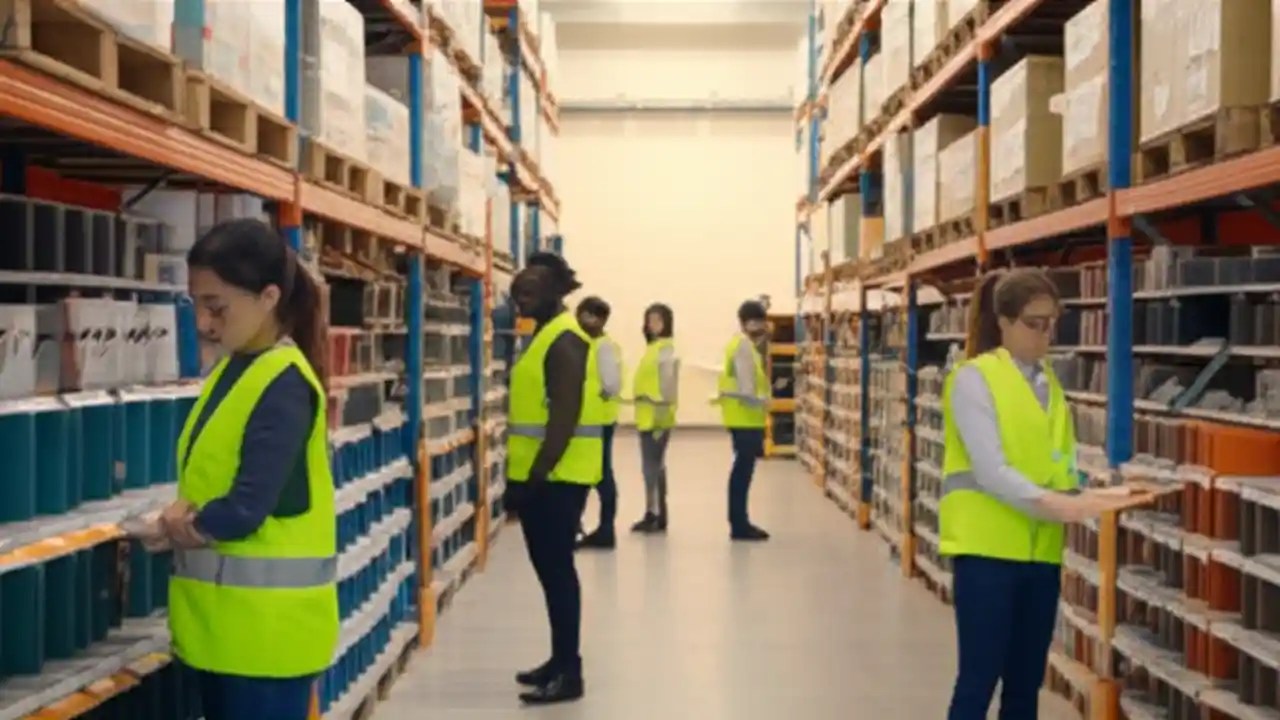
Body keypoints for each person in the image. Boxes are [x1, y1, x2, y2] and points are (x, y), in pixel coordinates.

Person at [133, 218, 337, 720]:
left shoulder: (283, 382)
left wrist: (179, 525)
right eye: (197, 304)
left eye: (216, 306)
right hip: (224, 635)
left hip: (266, 641)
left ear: (269, 297)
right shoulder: (231, 369)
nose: (204, 321)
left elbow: (248, 505)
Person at [942, 268, 1128, 720]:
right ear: (1003, 322)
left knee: (1025, 688)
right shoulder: (974, 379)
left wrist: (1099, 494)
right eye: (1033, 323)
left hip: (1041, 555)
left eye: (1052, 324)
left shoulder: (1050, 386)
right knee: (978, 681)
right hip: (986, 553)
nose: (1045, 335)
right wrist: (1063, 505)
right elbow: (990, 470)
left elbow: (1056, 468)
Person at [503, 252, 606, 704]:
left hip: (557, 480)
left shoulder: (565, 340)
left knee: (558, 572)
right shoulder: (545, 334)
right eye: (515, 295)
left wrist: (533, 478)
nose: (518, 303)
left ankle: (570, 672)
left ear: (552, 293)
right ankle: (559, 660)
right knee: (550, 573)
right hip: (545, 476)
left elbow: (563, 417)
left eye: (526, 294)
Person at [715, 300, 772, 541]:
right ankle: (739, 524)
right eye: (757, 321)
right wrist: (766, 400)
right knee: (742, 472)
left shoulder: (738, 344)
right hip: (746, 419)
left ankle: (739, 521)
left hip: (740, 417)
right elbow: (749, 390)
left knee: (741, 471)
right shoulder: (744, 348)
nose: (760, 327)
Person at [575, 295, 622, 550]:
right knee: (589, 475)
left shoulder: (603, 346)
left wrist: (595, 398)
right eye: (583, 314)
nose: (584, 320)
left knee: (602, 476)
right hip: (586, 421)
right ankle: (580, 527)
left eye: (590, 316)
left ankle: (605, 531)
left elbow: (611, 385)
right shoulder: (586, 343)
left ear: (601, 320)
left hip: (599, 421)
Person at [630, 303, 679, 534]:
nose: (653, 325)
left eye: (658, 320)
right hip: (647, 416)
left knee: (653, 467)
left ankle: (655, 514)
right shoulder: (653, 348)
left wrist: (658, 409)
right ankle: (654, 512)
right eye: (650, 320)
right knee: (652, 468)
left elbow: (667, 386)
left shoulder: (665, 349)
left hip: (657, 418)